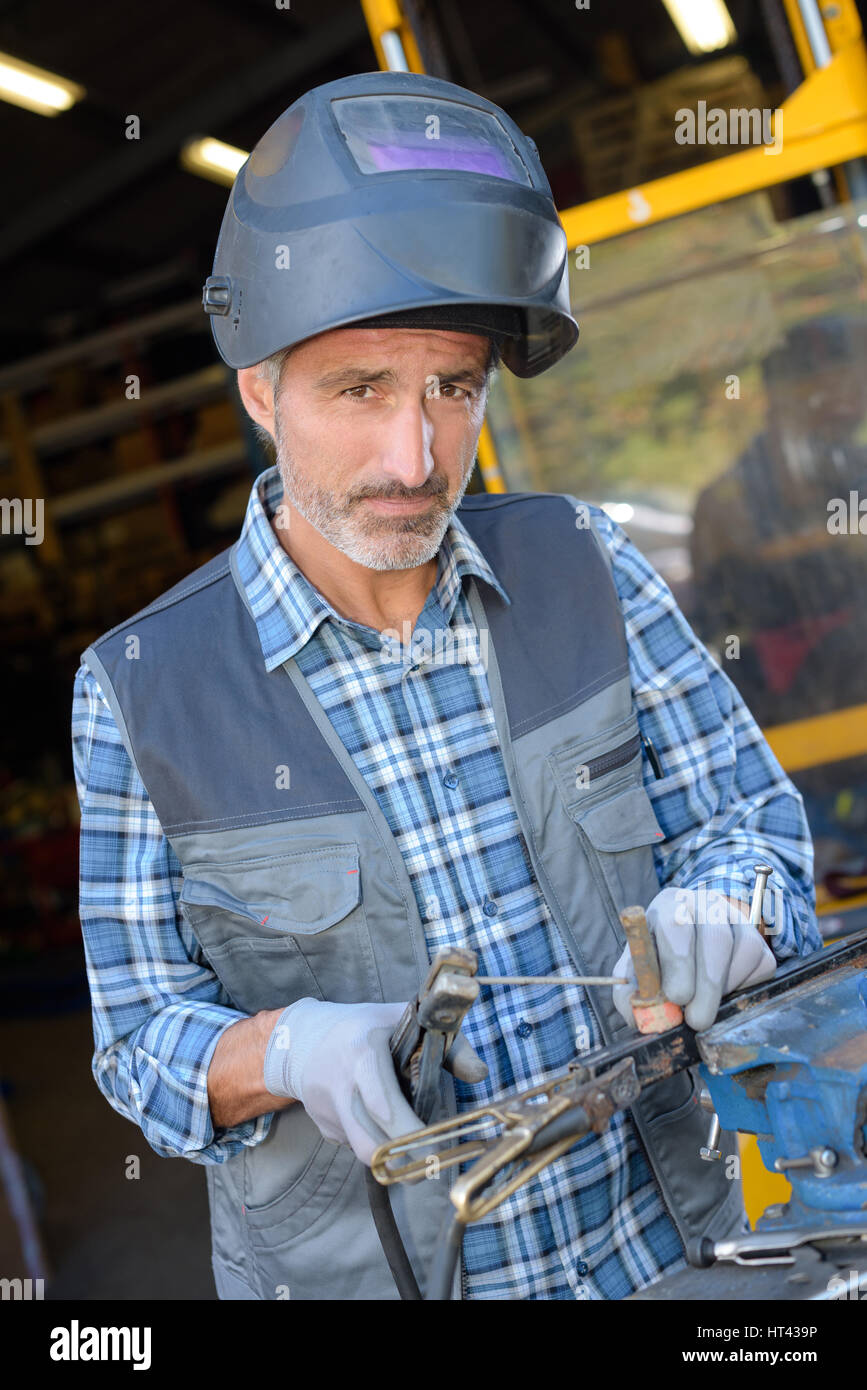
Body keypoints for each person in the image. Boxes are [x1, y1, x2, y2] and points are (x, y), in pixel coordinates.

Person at [72, 69, 821, 1302]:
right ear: (259, 386)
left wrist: (730, 911)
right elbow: (139, 1046)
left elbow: (761, 833)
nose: (415, 459)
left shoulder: (586, 563)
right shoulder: (145, 689)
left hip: (690, 1256)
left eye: (452, 388)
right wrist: (283, 1050)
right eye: (360, 390)